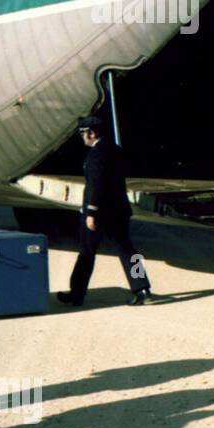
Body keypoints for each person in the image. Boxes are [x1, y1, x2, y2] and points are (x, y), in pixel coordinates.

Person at [56, 115, 154, 307]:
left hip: (100, 212)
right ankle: (142, 289)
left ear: (91, 133)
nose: (82, 137)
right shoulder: (115, 149)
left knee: (86, 252)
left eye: (82, 133)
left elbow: (96, 185)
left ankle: (76, 294)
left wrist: (91, 212)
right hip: (119, 211)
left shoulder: (96, 155)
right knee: (127, 249)